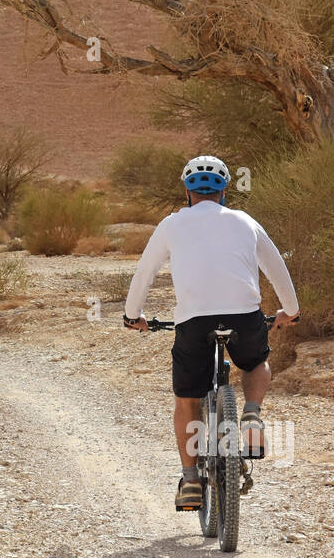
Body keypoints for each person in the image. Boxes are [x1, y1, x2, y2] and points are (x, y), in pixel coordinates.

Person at [122, 155, 299, 511]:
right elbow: (276, 265)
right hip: (245, 317)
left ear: (187, 190)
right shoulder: (245, 221)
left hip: (194, 321)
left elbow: (145, 272)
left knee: (187, 399)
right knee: (256, 362)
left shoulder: (171, 224)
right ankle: (250, 414)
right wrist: (289, 312)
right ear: (224, 191)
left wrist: (132, 316)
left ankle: (190, 480)